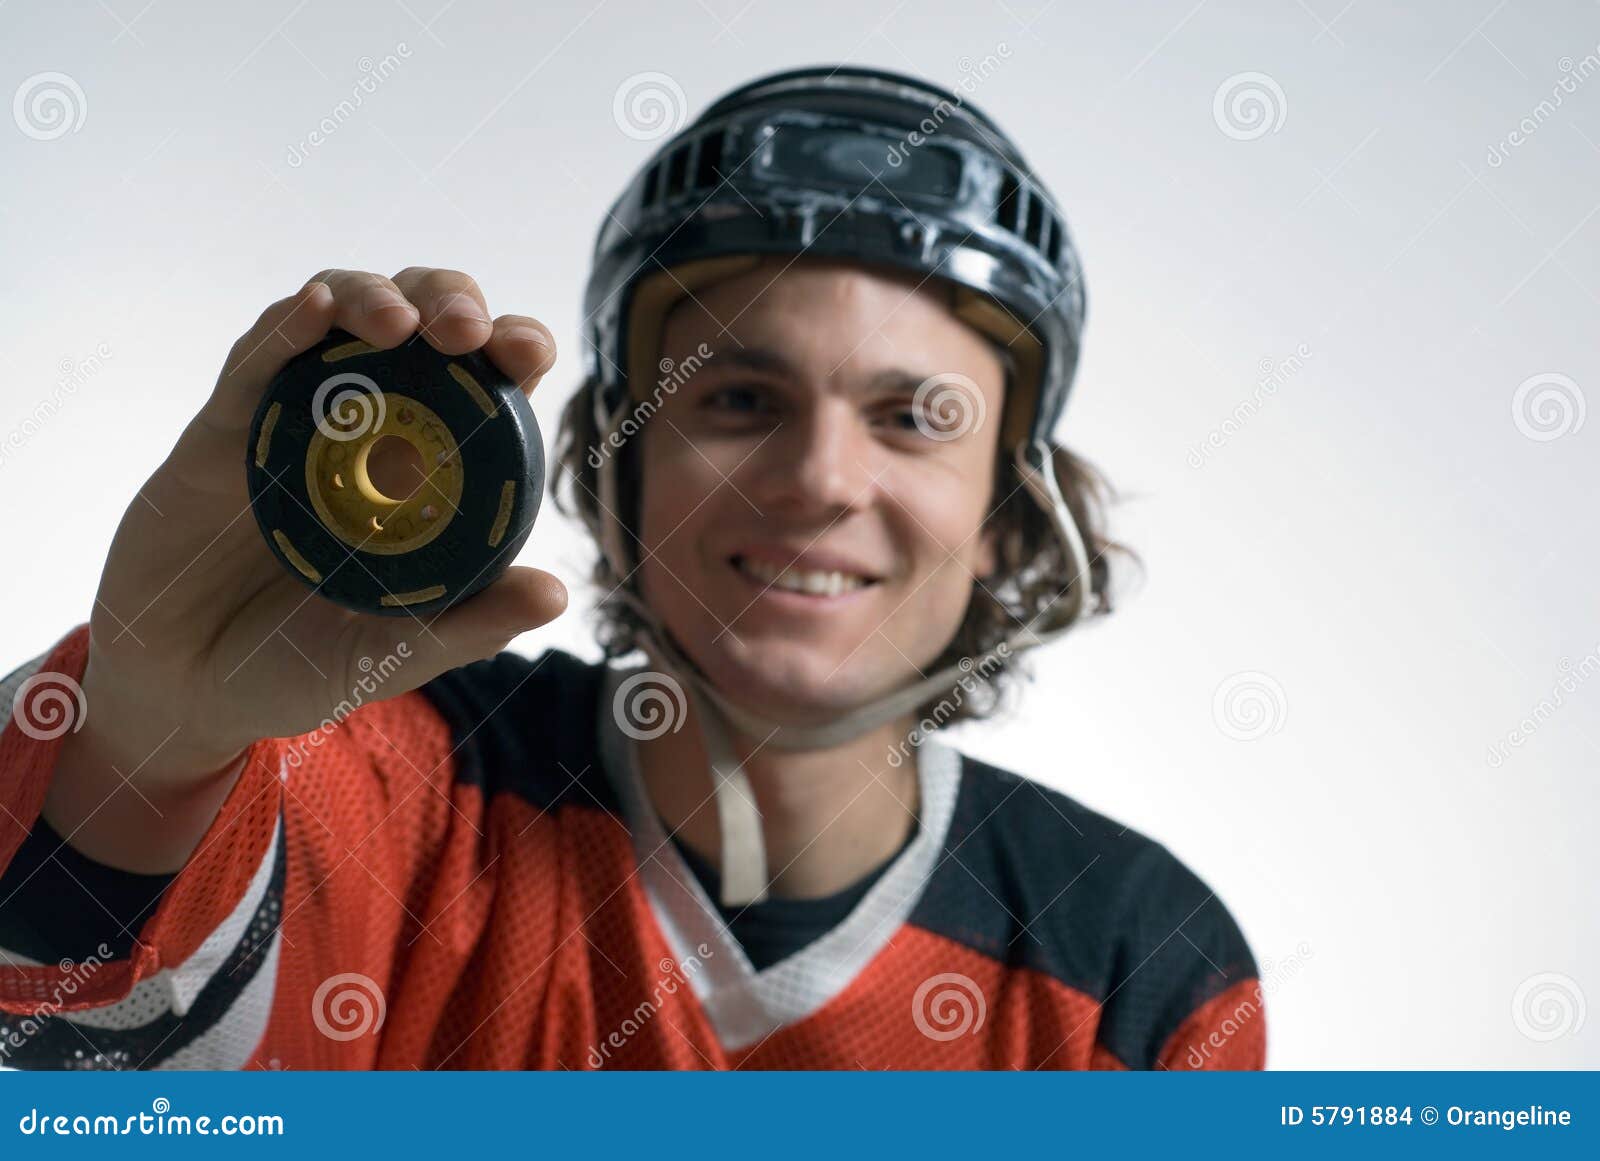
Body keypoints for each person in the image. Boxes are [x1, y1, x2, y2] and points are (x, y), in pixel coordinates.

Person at [0, 67, 1265, 1070]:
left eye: (913, 416)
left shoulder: (1139, 974)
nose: (820, 479)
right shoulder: (386, 773)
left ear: (1007, 506)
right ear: (618, 462)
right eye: (740, 395)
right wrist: (142, 752)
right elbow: (72, 1068)